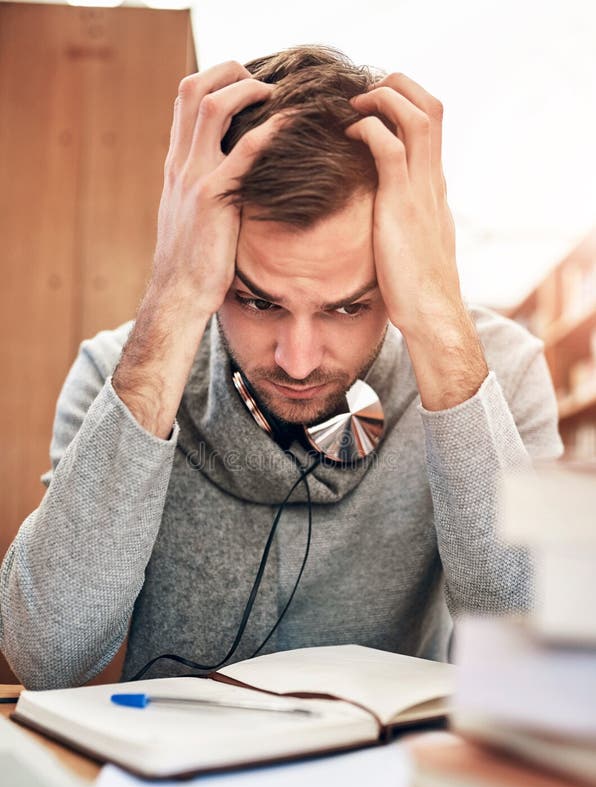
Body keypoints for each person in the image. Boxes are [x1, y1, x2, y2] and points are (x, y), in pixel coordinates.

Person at [0, 46, 562, 690]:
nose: (297, 362)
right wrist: (172, 303)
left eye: (349, 306)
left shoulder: (500, 373)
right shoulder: (120, 374)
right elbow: (47, 655)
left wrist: (439, 327)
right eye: (257, 300)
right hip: (178, 776)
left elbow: (534, 659)